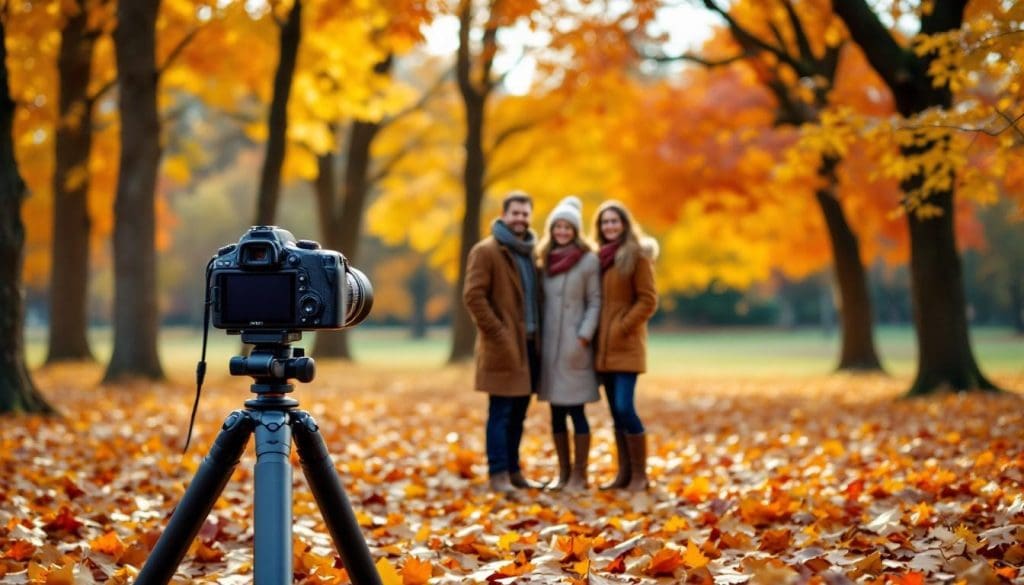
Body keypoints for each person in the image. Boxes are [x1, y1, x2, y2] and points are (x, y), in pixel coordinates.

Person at [463, 191, 543, 493]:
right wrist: (499, 333)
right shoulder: (487, 251)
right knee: (501, 412)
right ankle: (498, 474)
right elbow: (473, 296)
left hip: (530, 346)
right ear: (504, 215)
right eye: (516, 213)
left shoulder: (529, 252)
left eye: (525, 214)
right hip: (503, 346)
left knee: (520, 413)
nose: (521, 219)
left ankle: (514, 470)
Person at [535, 196, 601, 491]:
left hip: (576, 347)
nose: (562, 231)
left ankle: (580, 474)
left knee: (577, 411)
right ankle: (563, 474)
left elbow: (595, 301)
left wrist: (584, 335)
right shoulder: (544, 260)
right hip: (550, 348)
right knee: (556, 413)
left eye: (567, 226)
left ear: (576, 230)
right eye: (558, 226)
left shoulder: (588, 260)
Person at [592, 200, 658, 492]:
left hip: (626, 344)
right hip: (602, 348)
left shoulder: (637, 256)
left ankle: (640, 475)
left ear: (624, 224)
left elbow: (648, 299)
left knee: (624, 406)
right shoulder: (599, 259)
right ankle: (624, 474)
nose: (609, 226)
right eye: (605, 222)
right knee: (615, 412)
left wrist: (622, 326)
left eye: (614, 221)